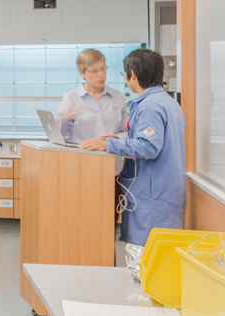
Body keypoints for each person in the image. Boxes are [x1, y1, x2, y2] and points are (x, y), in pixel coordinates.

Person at [80, 49, 187, 246]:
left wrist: (108, 144)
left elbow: (148, 147)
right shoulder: (169, 103)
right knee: (162, 249)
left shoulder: (149, 106)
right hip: (166, 190)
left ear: (133, 75)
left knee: (147, 253)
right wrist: (121, 139)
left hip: (153, 193)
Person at [56, 48, 128, 143]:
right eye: (94, 71)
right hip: (81, 155)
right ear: (82, 73)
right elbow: (58, 136)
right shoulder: (70, 98)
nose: (101, 75)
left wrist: (116, 138)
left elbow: (126, 132)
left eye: (103, 69)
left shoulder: (117, 97)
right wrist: (65, 119)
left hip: (110, 154)